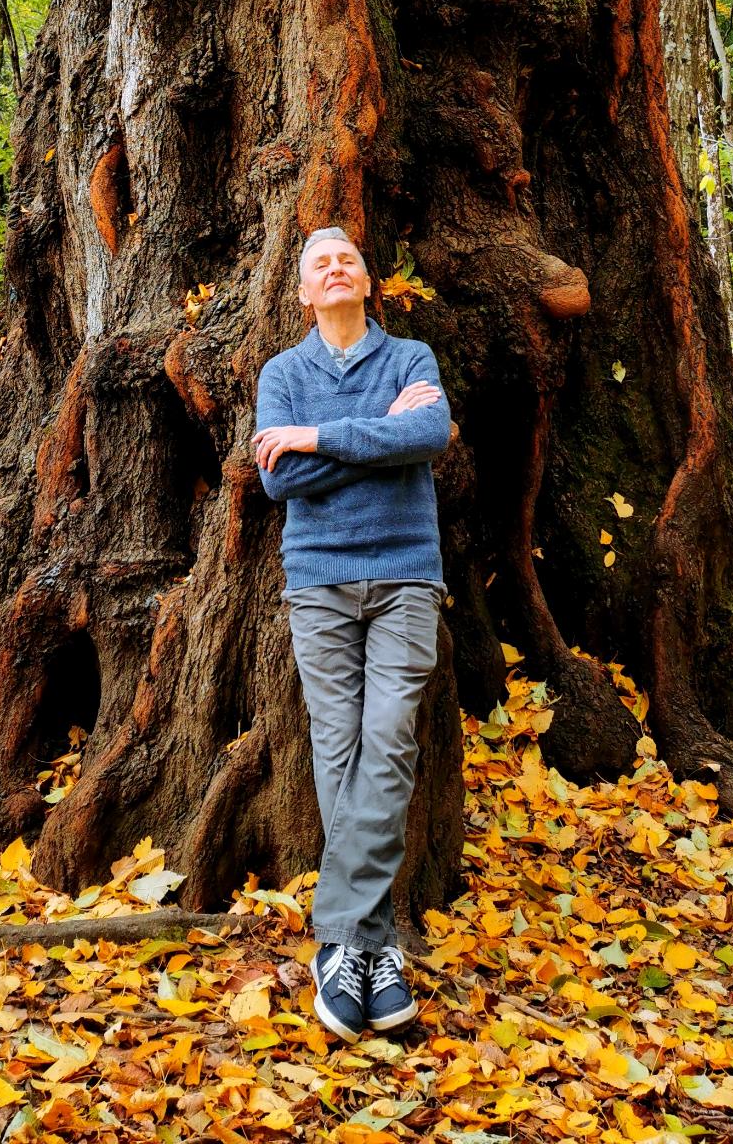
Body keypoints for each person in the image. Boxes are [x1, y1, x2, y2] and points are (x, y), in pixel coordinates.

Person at [253, 226, 451, 1040]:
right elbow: (278, 480)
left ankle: (339, 935)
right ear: (303, 293)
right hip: (319, 581)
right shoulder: (282, 373)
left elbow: (429, 436)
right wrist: (377, 437)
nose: (335, 271)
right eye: (319, 266)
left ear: (370, 281)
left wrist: (321, 436)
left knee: (391, 741)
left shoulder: (411, 360)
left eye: (348, 260)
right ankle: (371, 949)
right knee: (337, 752)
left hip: (407, 572)